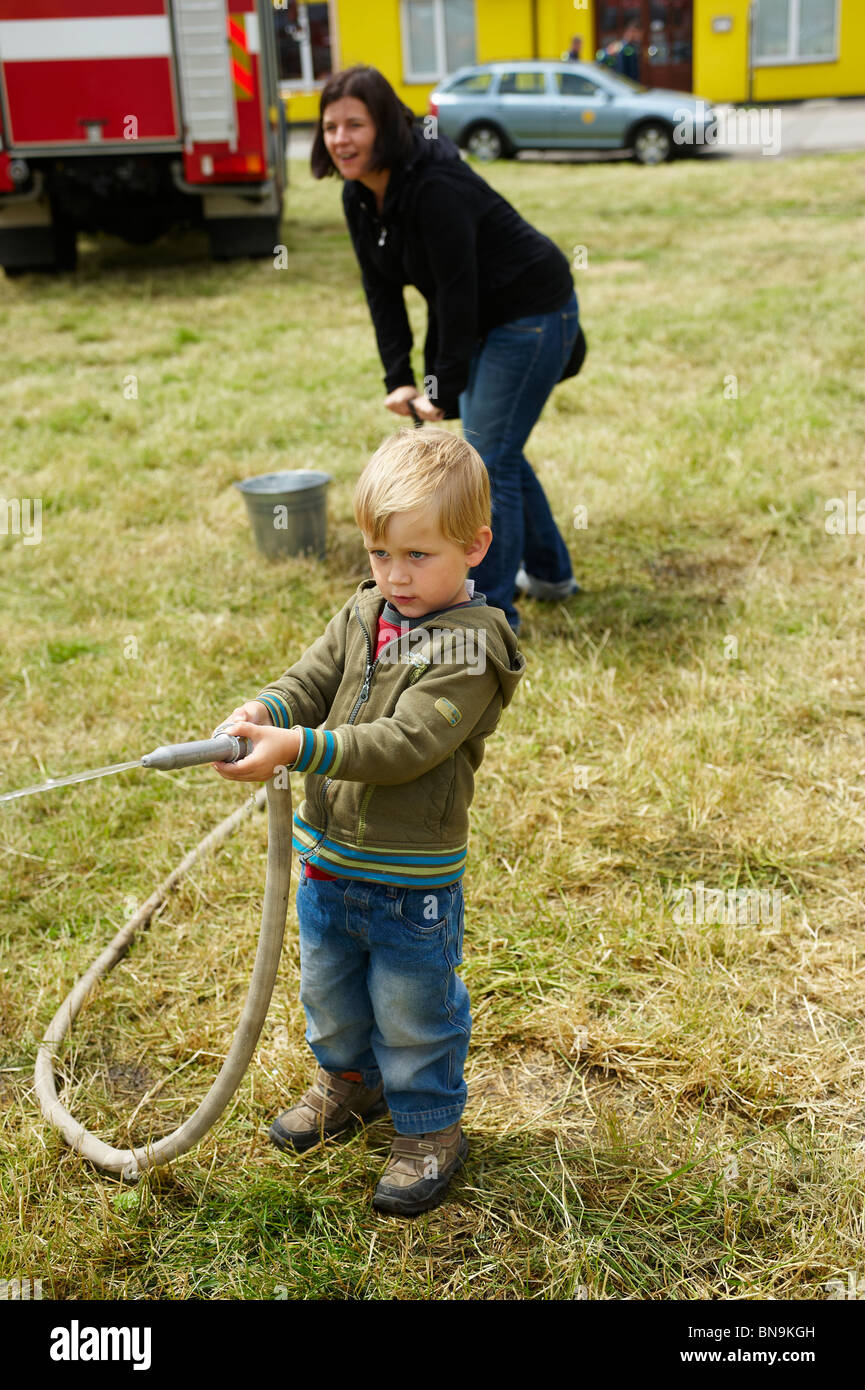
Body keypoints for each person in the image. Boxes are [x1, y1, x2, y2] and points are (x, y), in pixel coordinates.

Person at [212, 427, 526, 1216]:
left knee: (412, 1007)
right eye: (379, 554)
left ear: (475, 546)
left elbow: (405, 743)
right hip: (328, 859)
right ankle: (349, 1085)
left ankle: (428, 1128)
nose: (395, 575)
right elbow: (310, 681)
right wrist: (266, 711)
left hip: (408, 880)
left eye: (417, 556)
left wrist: (299, 747)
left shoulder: (470, 649)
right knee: (331, 989)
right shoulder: (364, 612)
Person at [310, 64, 582, 635]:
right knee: (499, 444)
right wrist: (399, 379)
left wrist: (442, 385)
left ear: (384, 125)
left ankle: (490, 619)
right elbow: (380, 289)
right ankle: (553, 575)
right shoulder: (359, 196)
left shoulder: (434, 185)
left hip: (531, 310)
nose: (340, 139)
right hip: (484, 318)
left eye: (354, 124)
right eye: (331, 126)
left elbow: (458, 291)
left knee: (487, 457)